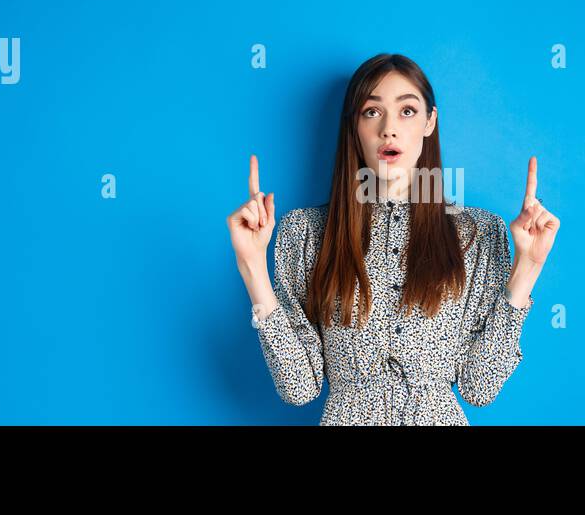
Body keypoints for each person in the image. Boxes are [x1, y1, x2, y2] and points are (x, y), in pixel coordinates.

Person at [226, 53, 560, 425]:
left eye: (407, 111)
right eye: (371, 111)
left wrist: (527, 269)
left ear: (430, 122)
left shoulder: (479, 234)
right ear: (354, 126)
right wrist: (252, 266)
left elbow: (479, 388)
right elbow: (299, 387)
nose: (389, 129)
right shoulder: (304, 233)